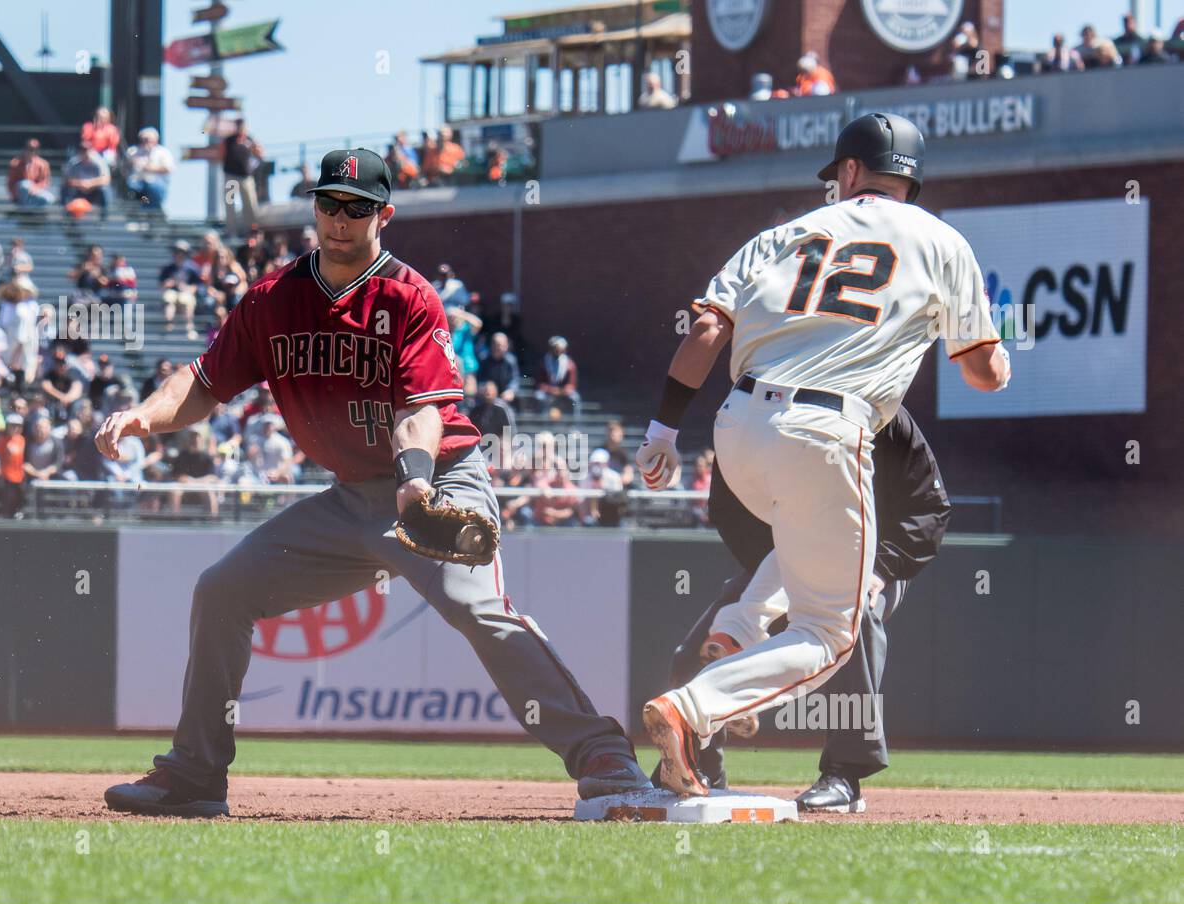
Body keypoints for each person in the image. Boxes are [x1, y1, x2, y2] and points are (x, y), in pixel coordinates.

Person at [95, 146, 650, 817]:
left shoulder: (409, 298)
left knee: (477, 608)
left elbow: (421, 413)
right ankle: (195, 774)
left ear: (383, 215)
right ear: (315, 208)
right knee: (222, 590)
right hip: (350, 499)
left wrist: (416, 486)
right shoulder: (274, 299)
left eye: (357, 208)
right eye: (329, 203)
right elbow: (204, 381)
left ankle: (602, 752)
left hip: (439, 480)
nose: (340, 218)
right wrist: (143, 418)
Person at [635, 112, 1010, 796]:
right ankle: (694, 707)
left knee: (799, 539)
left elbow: (708, 327)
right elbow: (981, 370)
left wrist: (662, 432)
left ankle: (740, 625)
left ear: (847, 172)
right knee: (828, 632)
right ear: (912, 181)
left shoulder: (778, 235)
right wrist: (1000, 358)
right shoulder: (942, 240)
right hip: (826, 427)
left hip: (737, 427)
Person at [659, 408, 949, 812]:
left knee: (854, 619)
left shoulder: (889, 416)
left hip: (880, 562)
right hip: (785, 558)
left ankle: (845, 775)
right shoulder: (767, 412)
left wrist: (881, 568)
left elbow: (931, 509)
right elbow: (729, 510)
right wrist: (791, 571)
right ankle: (698, 771)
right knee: (692, 654)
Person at [222, 119, 263, 234]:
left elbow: (259, 153)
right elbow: (221, 154)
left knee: (250, 203)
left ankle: (251, 230)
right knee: (230, 203)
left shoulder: (250, 140)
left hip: (246, 177)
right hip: (231, 176)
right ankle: (231, 230)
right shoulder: (229, 140)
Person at [124, 127, 174, 210]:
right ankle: (138, 211)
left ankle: (151, 211)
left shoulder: (163, 152)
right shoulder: (133, 151)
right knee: (131, 190)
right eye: (143, 139)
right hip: (137, 183)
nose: (145, 142)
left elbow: (168, 168)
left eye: (148, 140)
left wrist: (149, 168)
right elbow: (125, 164)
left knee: (153, 189)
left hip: (155, 183)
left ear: (155, 140)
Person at [62, 140, 112, 217]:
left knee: (104, 190)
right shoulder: (73, 162)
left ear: (91, 150)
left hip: (94, 190)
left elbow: (106, 179)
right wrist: (80, 183)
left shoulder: (99, 162)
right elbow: (66, 180)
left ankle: (104, 219)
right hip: (78, 190)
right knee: (65, 189)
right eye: (82, 150)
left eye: (87, 150)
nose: (85, 152)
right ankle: (67, 217)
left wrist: (90, 183)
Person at [160, 242, 200, 335]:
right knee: (169, 298)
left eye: (182, 252)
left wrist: (187, 288)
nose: (179, 254)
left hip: (186, 292)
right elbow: (162, 284)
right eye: (177, 252)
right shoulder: (168, 268)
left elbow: (197, 285)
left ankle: (189, 327)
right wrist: (169, 283)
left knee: (186, 300)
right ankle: (169, 324)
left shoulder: (192, 268)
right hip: (172, 291)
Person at [535, 335, 580, 416]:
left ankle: (574, 426)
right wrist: (551, 390)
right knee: (539, 397)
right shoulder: (543, 363)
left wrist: (564, 390)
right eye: (556, 348)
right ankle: (542, 424)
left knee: (575, 398)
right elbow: (539, 383)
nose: (558, 351)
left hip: (563, 392)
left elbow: (572, 383)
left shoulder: (570, 364)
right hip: (548, 391)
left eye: (560, 349)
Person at [0, 414, 27, 517]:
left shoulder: (21, 439)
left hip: (19, 474)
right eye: (12, 426)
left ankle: (18, 512)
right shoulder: (2, 440)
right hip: (6, 474)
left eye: (18, 426)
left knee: (20, 495)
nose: (15, 428)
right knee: (8, 495)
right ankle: (6, 514)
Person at [6, 139, 56, 206]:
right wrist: (14, 195)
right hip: (20, 191)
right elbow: (11, 183)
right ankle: (26, 208)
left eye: (34, 150)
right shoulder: (15, 163)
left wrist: (35, 188)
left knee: (50, 198)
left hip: (35, 191)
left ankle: (30, 210)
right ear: (25, 149)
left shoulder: (43, 164)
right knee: (25, 183)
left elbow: (45, 181)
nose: (31, 152)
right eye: (29, 149)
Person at [476, 331, 521, 404]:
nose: (496, 348)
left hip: (505, 398)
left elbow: (515, 379)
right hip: (486, 398)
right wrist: (485, 388)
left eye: (499, 345)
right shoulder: (484, 359)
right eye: (494, 344)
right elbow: (480, 379)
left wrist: (511, 391)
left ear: (506, 346)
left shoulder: (511, 361)